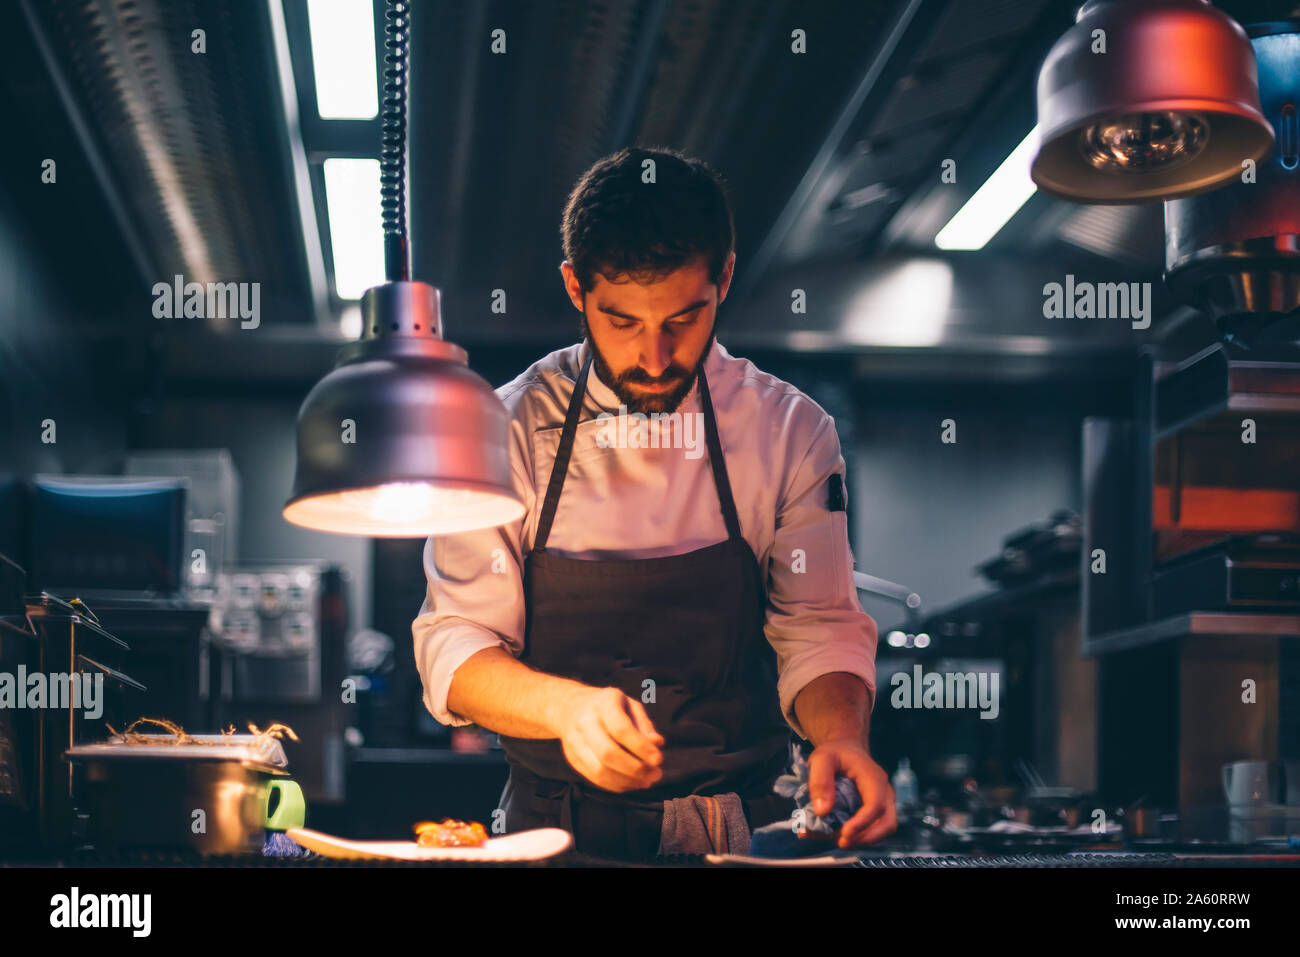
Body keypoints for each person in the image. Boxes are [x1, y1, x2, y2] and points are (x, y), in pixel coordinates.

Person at [412, 145, 895, 859]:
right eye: (624, 321)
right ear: (577, 288)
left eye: (683, 319)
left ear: (723, 278)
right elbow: (455, 641)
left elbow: (818, 625)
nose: (656, 356)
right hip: (553, 839)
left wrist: (842, 736)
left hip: (745, 834)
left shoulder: (788, 430)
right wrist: (564, 707)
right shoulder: (501, 430)